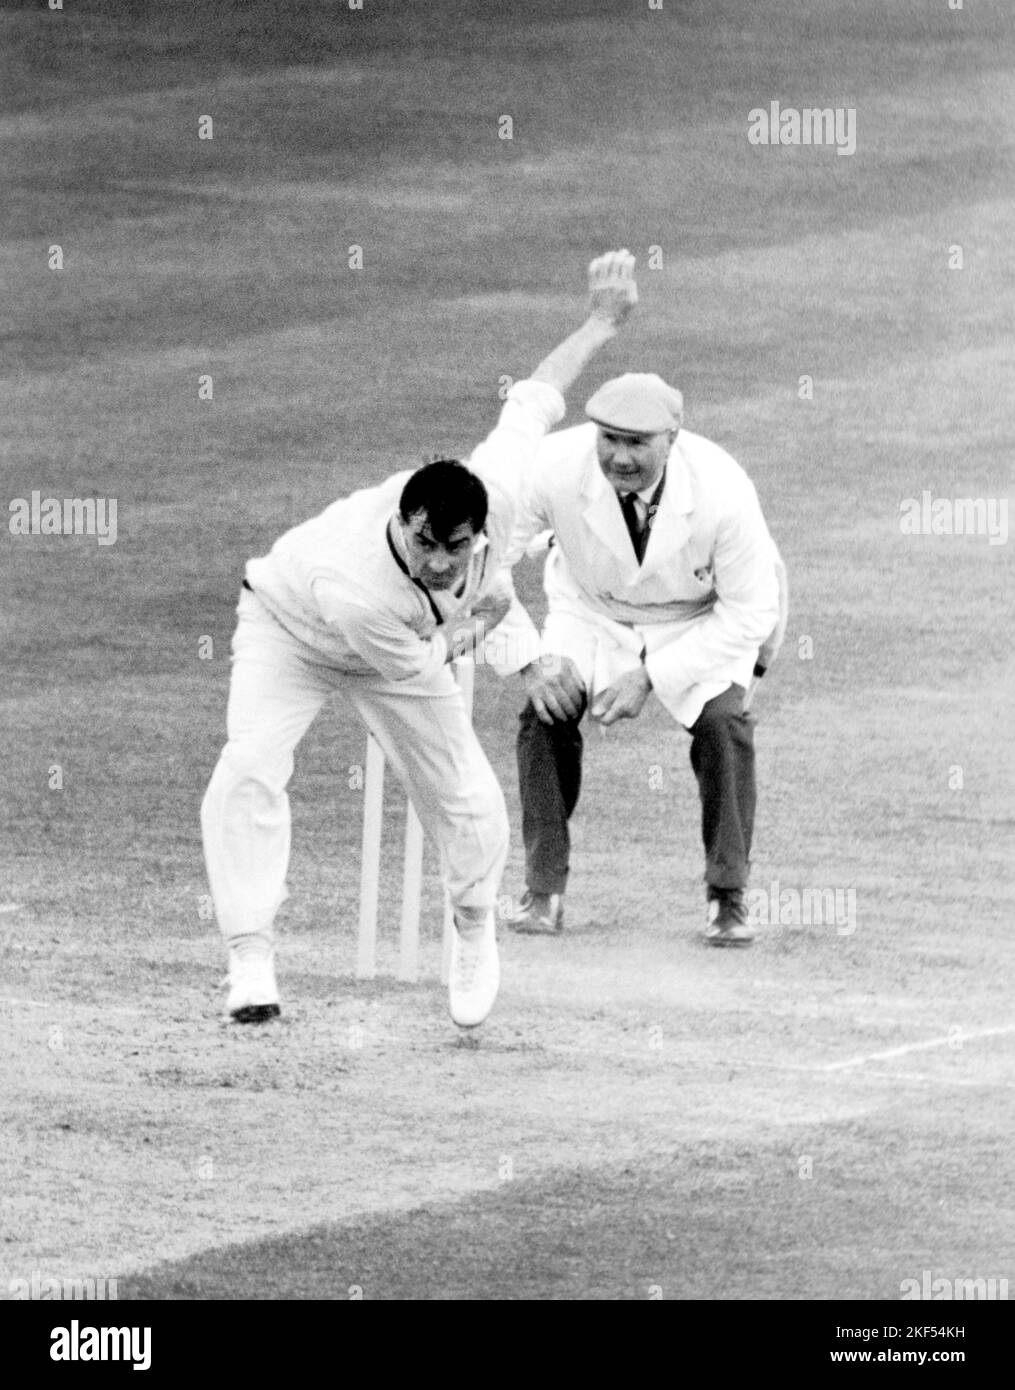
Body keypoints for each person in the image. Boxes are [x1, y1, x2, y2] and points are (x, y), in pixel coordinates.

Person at [201, 251, 638, 1028]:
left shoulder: (497, 490)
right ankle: (250, 957)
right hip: (291, 628)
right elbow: (427, 652)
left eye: (456, 547)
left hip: (415, 643)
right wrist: (482, 623)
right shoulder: (355, 583)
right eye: (425, 545)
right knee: (250, 768)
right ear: (403, 523)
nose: (440, 562)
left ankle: (472, 930)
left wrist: (600, 322)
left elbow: (538, 395)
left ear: (480, 528)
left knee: (464, 794)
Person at [502, 371, 787, 946]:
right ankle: (543, 891)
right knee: (545, 713)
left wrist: (651, 677)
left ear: (673, 436)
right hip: (590, 611)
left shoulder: (723, 490)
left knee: (723, 723)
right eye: (609, 439)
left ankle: (727, 898)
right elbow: (485, 569)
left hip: (698, 620)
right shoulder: (553, 466)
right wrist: (529, 663)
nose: (620, 457)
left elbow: (752, 614)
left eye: (637, 443)